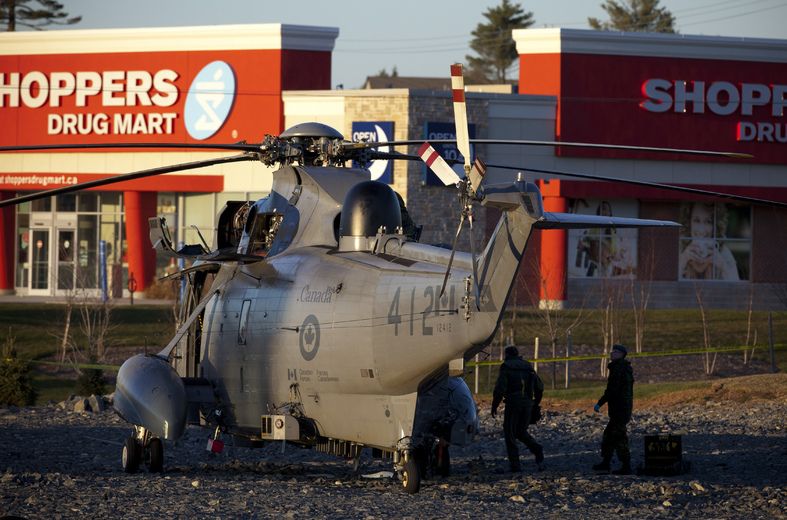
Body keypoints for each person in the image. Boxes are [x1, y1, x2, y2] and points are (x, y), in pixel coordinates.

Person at [491, 346, 545, 472]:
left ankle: (515, 465)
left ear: (507, 355)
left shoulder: (506, 367)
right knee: (520, 431)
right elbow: (539, 387)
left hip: (513, 404)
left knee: (510, 433)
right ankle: (536, 448)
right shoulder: (528, 366)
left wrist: (494, 405)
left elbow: (500, 389)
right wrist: (535, 403)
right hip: (527, 404)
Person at [592, 343, 634, 475]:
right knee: (609, 435)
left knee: (619, 437)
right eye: (612, 351)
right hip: (621, 408)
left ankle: (626, 465)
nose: (612, 353)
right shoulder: (622, 367)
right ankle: (606, 462)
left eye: (615, 352)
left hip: (620, 409)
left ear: (622, 354)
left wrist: (600, 403)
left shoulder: (619, 369)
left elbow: (612, 390)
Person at [678, 202, 739, 280]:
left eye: (708, 222)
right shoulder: (679, 249)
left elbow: (736, 285)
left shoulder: (722, 252)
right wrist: (683, 260)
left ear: (715, 225)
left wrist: (722, 265)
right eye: (696, 220)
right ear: (689, 222)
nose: (701, 230)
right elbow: (667, 285)